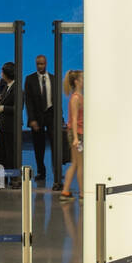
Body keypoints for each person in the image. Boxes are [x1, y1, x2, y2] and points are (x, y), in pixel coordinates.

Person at [23, 55, 56, 182]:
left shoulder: (53, 78)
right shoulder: (30, 79)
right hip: (37, 116)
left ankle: (56, 172)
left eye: (42, 64)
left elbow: (56, 99)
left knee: (55, 145)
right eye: (38, 64)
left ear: (46, 63)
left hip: (51, 114)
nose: (40, 66)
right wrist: (32, 119)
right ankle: (41, 172)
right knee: (39, 146)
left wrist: (61, 117)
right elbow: (28, 101)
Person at [0, 62, 20, 183]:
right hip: (3, 125)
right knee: (2, 154)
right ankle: (3, 178)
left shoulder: (17, 89)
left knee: (11, 155)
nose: (1, 74)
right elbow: (2, 101)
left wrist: (2, 108)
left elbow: (18, 108)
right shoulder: (7, 87)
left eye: (3, 72)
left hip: (11, 127)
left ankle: (14, 178)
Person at [59, 70, 83, 202]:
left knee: (75, 164)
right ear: (76, 81)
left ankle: (66, 191)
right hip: (77, 135)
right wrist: (75, 138)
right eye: (82, 78)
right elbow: (73, 119)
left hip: (79, 134)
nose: (84, 81)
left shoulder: (79, 96)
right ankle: (82, 193)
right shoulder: (75, 98)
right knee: (80, 164)